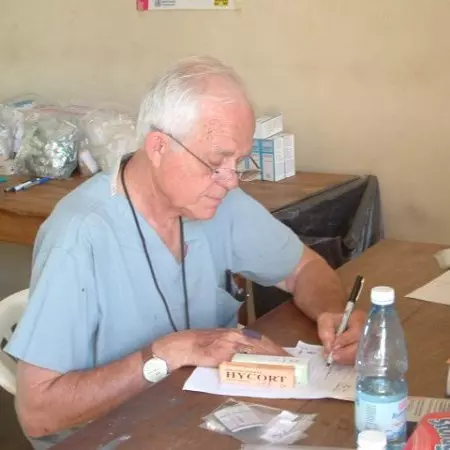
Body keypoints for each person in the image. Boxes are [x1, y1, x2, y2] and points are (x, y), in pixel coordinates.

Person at [5, 56, 366, 448]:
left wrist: (331, 310)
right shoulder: (80, 235)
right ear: (159, 147)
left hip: (202, 417)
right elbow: (38, 414)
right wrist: (168, 353)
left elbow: (303, 268)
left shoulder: (217, 202)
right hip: (110, 435)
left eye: (239, 162)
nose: (229, 180)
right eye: (216, 162)